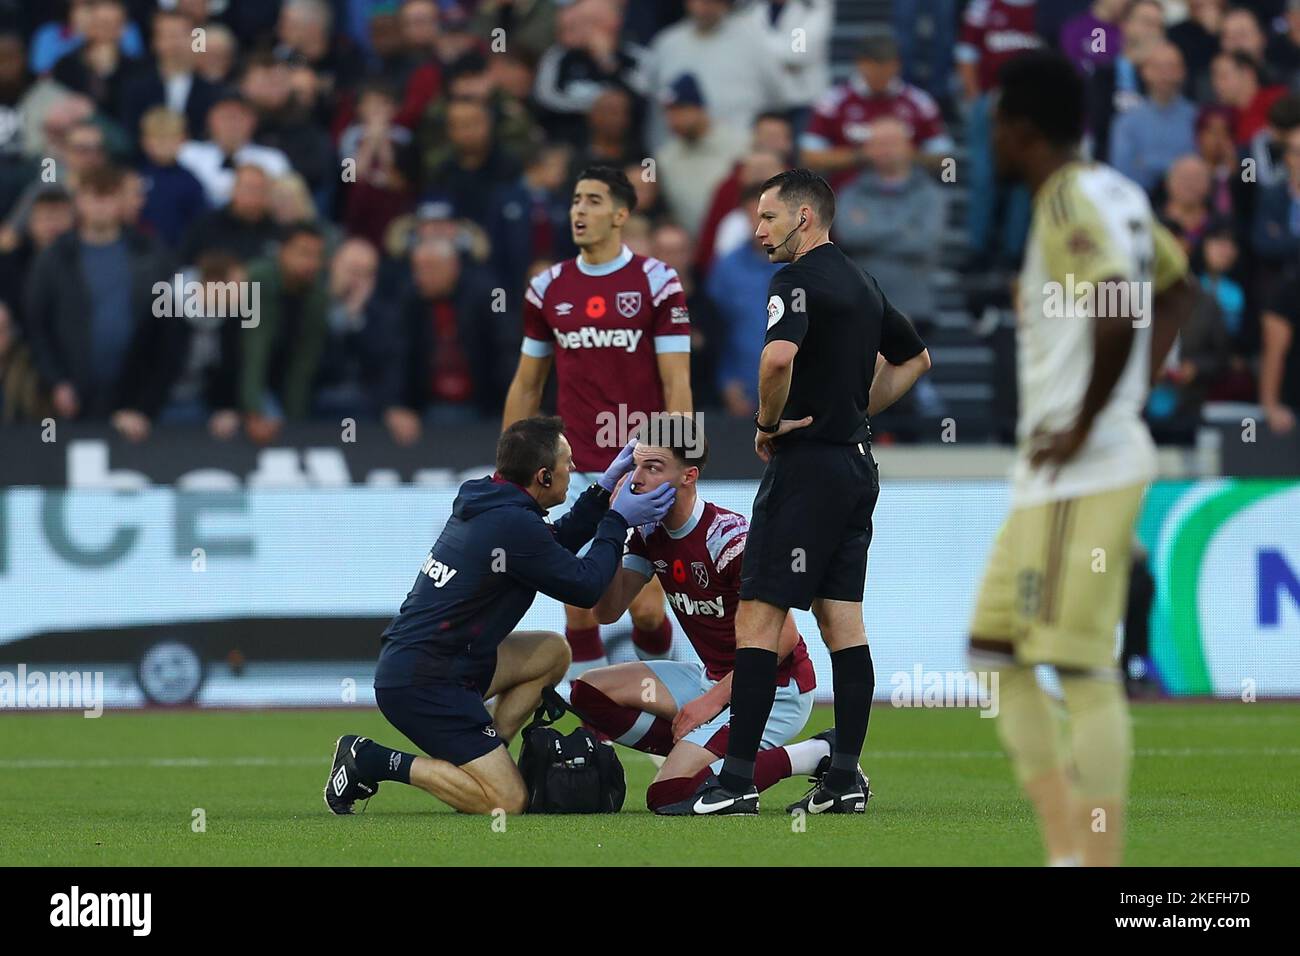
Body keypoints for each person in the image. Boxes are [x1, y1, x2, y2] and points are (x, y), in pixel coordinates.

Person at [968, 51, 1197, 867]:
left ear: (1022, 130)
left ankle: (1091, 860)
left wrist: (1089, 417)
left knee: (1077, 661)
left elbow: (1116, 307)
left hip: (1081, 465)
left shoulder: (1068, 198)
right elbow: (1176, 290)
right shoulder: (1121, 192)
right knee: (993, 648)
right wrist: (1132, 389)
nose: (988, 135)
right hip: (1057, 470)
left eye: (995, 121)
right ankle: (1070, 844)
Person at [692, 168, 931, 815]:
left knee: (759, 617)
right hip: (856, 465)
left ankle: (736, 781)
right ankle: (844, 778)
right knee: (840, 619)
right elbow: (915, 359)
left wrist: (767, 425)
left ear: (804, 217)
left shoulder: (794, 281)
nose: (757, 228)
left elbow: (775, 360)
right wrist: (856, 411)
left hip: (807, 471)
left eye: (768, 217)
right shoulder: (860, 281)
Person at [323, 417, 675, 815]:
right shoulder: (514, 524)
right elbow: (587, 586)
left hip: (449, 662)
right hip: (425, 682)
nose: (572, 469)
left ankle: (484, 763)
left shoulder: (490, 499)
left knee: (552, 652)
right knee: (507, 801)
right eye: (567, 463)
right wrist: (617, 521)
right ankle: (369, 758)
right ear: (543, 476)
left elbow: (553, 543)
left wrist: (601, 491)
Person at [573, 415, 847, 814]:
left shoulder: (729, 538)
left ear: (689, 476)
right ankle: (701, 754)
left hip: (772, 689)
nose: (637, 479)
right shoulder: (649, 534)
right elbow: (606, 611)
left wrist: (710, 703)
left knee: (669, 796)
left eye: (652, 468)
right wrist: (613, 523)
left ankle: (819, 753)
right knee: (588, 692)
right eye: (636, 465)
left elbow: (783, 638)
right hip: (711, 679)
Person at [501, 165, 693, 680]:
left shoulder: (657, 281)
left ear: (621, 213)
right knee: (579, 603)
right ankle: (596, 737)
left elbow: (677, 383)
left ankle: (665, 713)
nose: (579, 211)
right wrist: (507, 473)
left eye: (592, 200)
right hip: (577, 469)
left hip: (641, 467)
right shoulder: (547, 288)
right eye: (575, 200)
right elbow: (526, 384)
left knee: (648, 609)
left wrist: (676, 460)